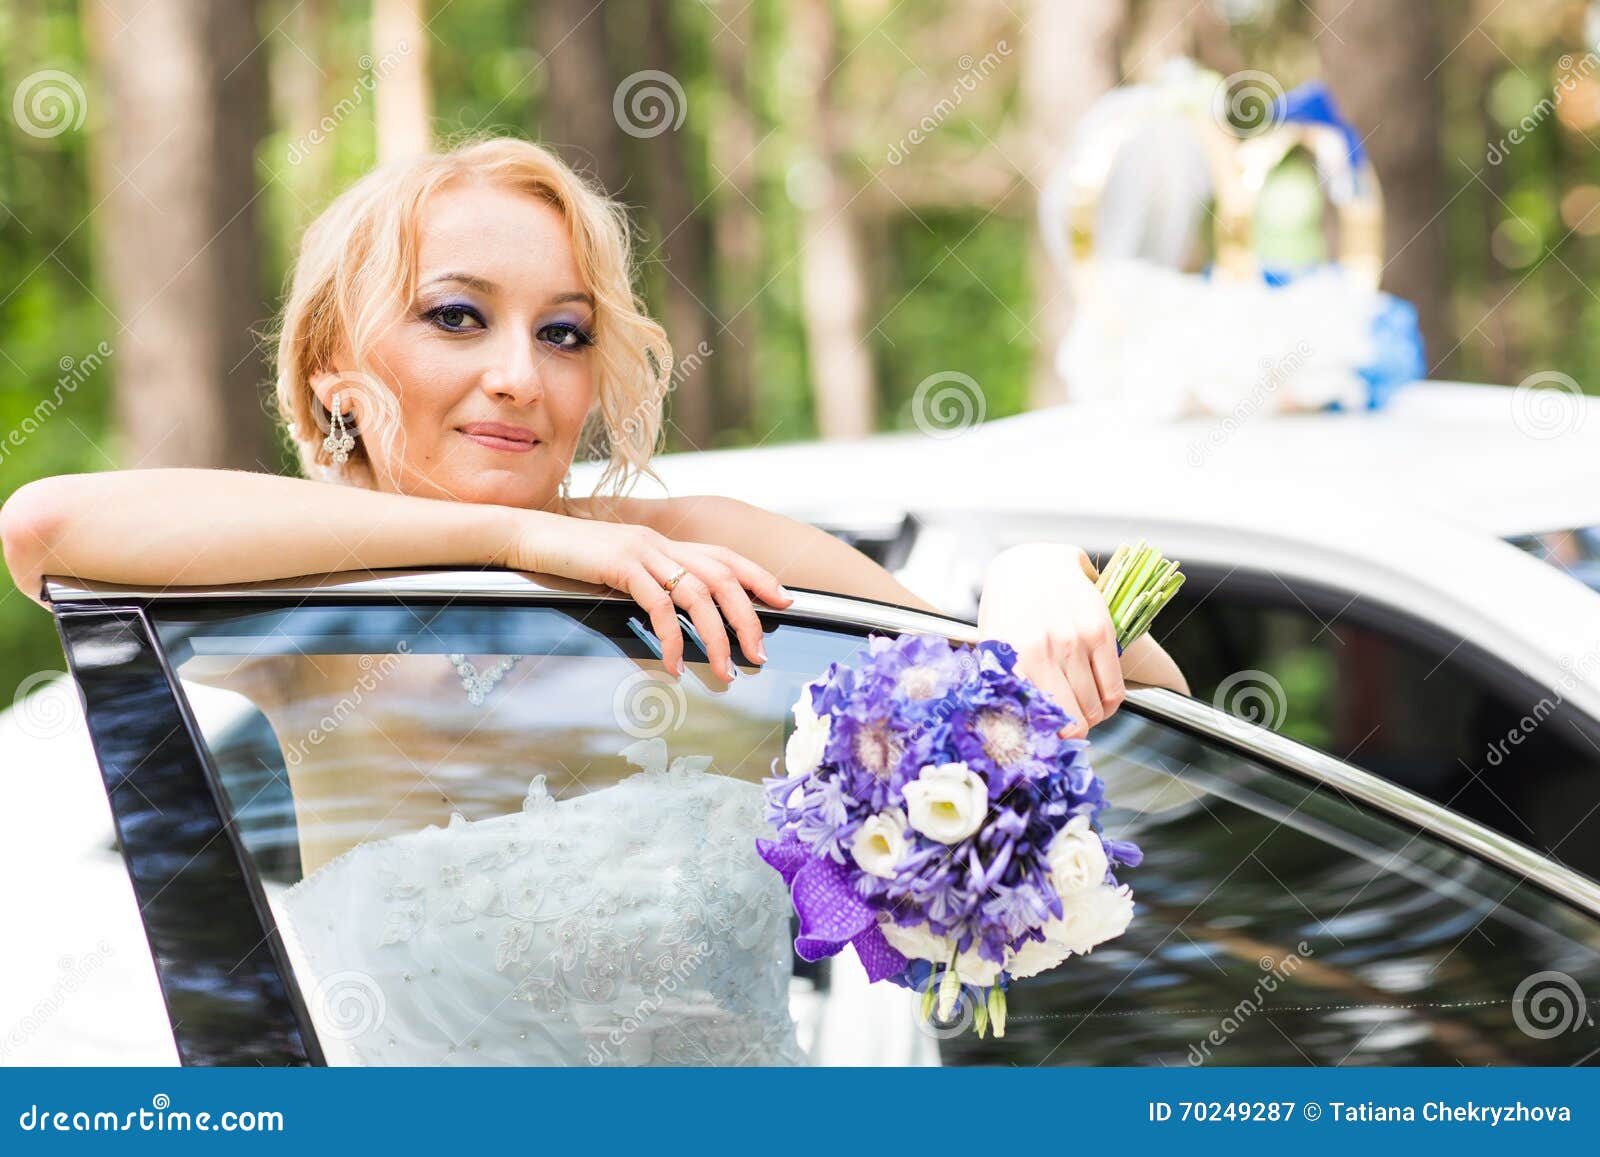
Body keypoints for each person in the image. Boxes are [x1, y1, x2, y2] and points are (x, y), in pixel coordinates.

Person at [0, 135, 1187, 1066]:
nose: (519, 374)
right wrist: (515, 538)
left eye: (562, 332)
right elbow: (48, 529)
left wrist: (1039, 572)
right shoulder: (313, 622)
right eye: (456, 315)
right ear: (337, 377)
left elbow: (1113, 706)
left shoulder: (699, 557)